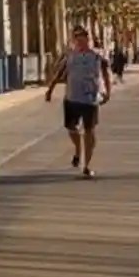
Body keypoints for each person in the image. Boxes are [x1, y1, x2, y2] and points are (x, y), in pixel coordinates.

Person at [45, 25, 113, 179]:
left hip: (90, 99)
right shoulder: (70, 56)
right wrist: (50, 90)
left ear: (88, 39)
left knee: (89, 131)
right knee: (71, 129)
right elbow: (59, 73)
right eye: (77, 37)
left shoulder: (98, 56)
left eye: (83, 37)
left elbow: (106, 74)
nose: (80, 40)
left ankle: (87, 165)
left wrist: (108, 92)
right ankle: (78, 149)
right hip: (72, 98)